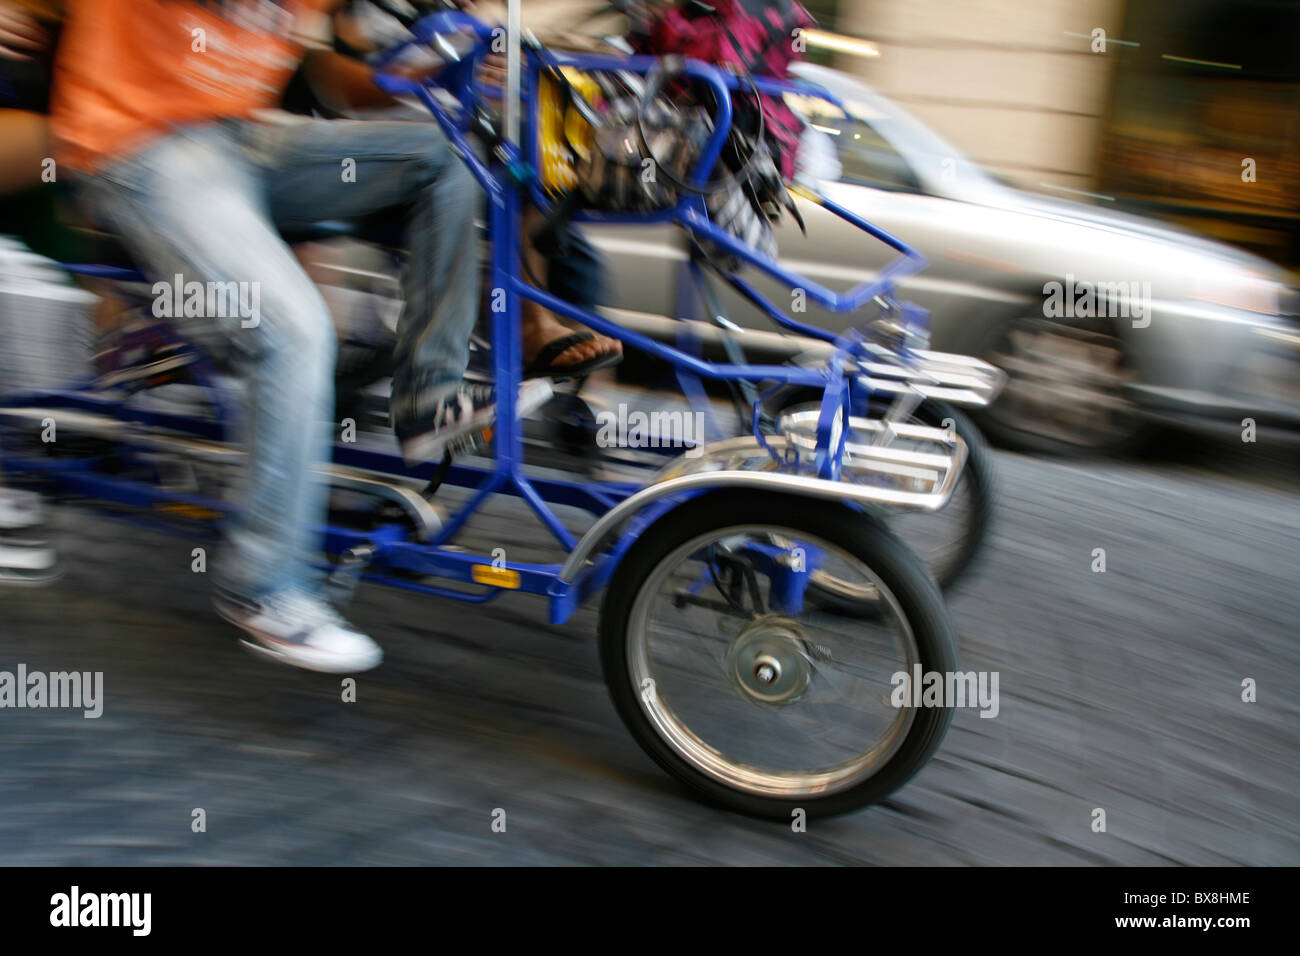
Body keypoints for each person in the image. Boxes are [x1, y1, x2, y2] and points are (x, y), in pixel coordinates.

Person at [44, 0, 548, 672]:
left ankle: (428, 394)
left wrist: (453, 45)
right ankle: (265, 587)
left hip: (245, 139)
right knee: (289, 330)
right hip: (138, 144)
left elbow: (348, 83)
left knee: (449, 158)